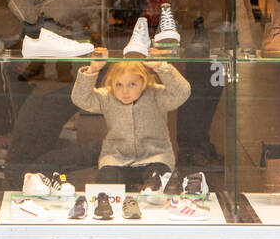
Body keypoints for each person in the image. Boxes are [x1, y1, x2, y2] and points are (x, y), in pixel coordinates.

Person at [66, 58, 191, 187]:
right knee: (105, 182)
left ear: (143, 82)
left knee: (159, 183)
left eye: (132, 84)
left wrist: (162, 67)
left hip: (155, 157)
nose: (125, 91)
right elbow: (80, 99)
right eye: (119, 84)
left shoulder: (156, 95)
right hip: (116, 158)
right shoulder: (107, 97)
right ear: (111, 84)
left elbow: (182, 92)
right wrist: (92, 71)